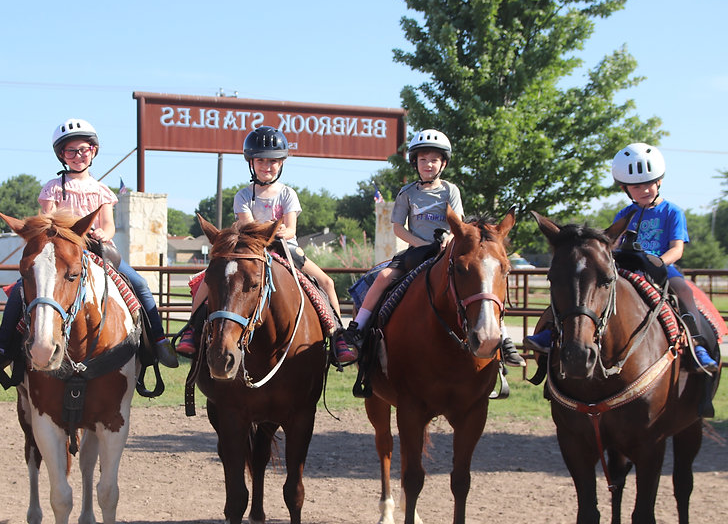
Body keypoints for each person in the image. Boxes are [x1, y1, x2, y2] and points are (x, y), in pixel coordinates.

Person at [0, 118, 179, 376]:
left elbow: (109, 225)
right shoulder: (53, 188)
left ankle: (157, 341)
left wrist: (102, 232)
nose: (78, 156)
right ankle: (3, 349)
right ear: (61, 155)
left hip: (96, 249)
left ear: (93, 151)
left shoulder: (101, 190)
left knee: (140, 285)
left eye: (84, 150)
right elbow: (47, 222)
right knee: (21, 291)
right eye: (71, 151)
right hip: (62, 252)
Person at [524, 142, 718, 372]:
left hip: (660, 267)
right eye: (636, 187)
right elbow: (611, 246)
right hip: (626, 266)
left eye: (648, 184)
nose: (644, 190)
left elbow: (678, 249)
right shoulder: (624, 214)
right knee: (582, 288)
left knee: (683, 290)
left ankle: (697, 344)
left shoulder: (672, 212)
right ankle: (551, 332)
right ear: (625, 189)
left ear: (659, 181)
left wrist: (661, 261)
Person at [175, 126, 357, 365]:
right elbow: (248, 228)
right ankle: (192, 328)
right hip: (253, 249)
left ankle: (337, 336)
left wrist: (281, 231)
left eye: (273, 161)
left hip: (286, 249)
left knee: (325, 282)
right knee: (208, 280)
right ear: (251, 163)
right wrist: (267, 230)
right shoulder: (242, 196)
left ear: (281, 164)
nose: (266, 166)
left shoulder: (288, 194)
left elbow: (291, 229)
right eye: (260, 160)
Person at [347, 129, 525, 366]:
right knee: (383, 277)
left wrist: (446, 241)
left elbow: (458, 224)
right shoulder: (407, 193)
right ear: (415, 163)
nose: (428, 164)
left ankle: (503, 339)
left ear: (443, 163)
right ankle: (357, 330)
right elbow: (398, 228)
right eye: (423, 159)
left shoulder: (450, 190)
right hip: (417, 251)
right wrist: (422, 244)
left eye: (434, 160)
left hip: (446, 250)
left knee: (480, 283)